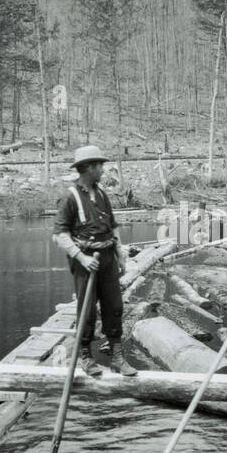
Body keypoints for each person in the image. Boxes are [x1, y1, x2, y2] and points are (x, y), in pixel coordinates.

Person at [52, 145, 137, 377]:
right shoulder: (70, 197)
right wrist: (81, 257)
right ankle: (86, 357)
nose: (103, 169)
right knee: (87, 310)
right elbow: (59, 235)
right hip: (85, 262)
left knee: (115, 306)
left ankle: (117, 357)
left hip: (107, 257)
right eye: (99, 166)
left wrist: (120, 253)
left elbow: (113, 226)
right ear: (88, 168)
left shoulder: (101, 194)